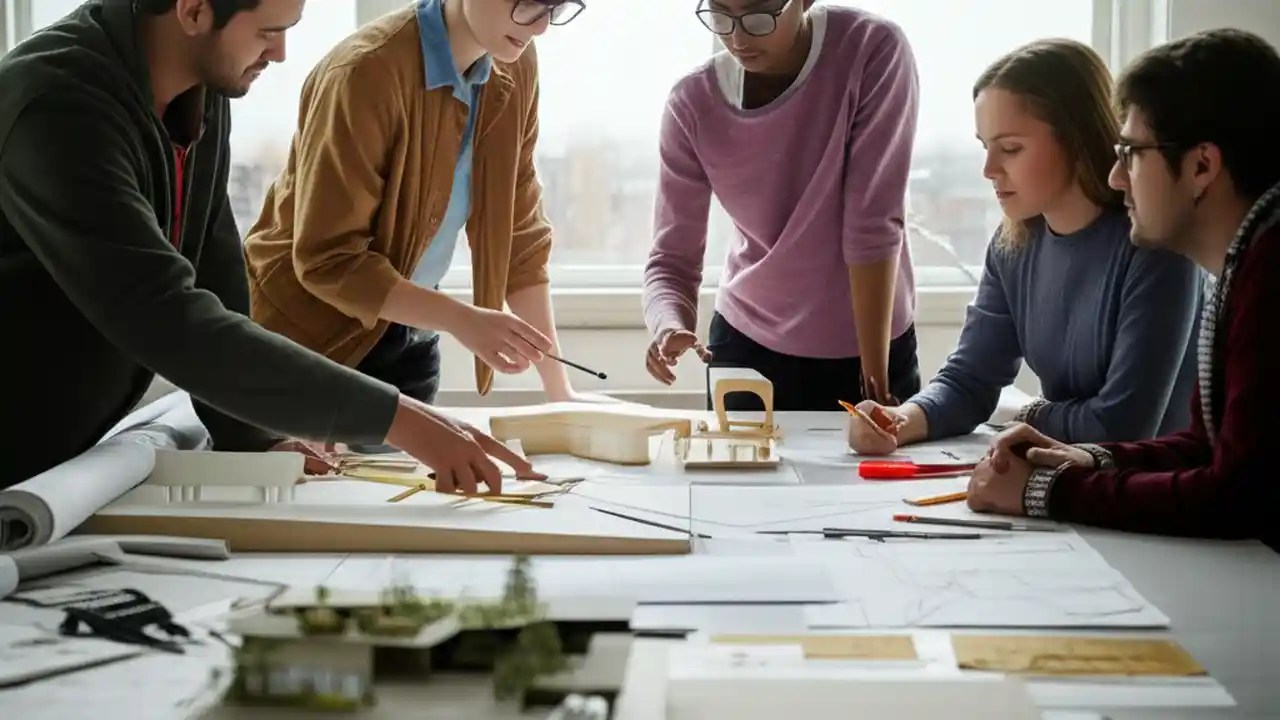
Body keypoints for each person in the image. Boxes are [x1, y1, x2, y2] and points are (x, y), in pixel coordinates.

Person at [0, 0, 537, 495]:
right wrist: (400, 417)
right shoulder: (57, 109)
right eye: (268, 32)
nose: (281, 53)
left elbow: (216, 271)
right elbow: (168, 317)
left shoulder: (204, 84)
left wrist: (255, 439)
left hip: (59, 463)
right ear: (192, 10)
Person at [968, 29, 1280, 551]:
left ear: (1202, 166)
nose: (1116, 177)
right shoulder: (1245, 261)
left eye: (1132, 153)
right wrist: (1087, 459)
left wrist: (1047, 488)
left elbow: (1235, 496)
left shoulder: (1272, 273)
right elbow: (1208, 449)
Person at [243, 0, 602, 422]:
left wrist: (558, 391)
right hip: (305, 343)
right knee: (321, 489)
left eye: (552, 9)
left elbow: (519, 235)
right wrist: (463, 320)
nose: (540, 28)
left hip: (410, 335)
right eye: (527, 5)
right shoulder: (363, 73)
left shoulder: (514, 61)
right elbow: (328, 260)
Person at [848, 39, 1202, 456]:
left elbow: (1121, 426)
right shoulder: (1012, 244)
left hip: (1156, 494)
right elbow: (970, 381)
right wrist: (900, 421)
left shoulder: (1156, 247)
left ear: (1077, 137)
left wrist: (1024, 412)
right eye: (985, 147)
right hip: (1073, 476)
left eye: (1011, 148)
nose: (989, 170)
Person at [642, 0, 922, 411]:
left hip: (871, 344)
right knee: (740, 476)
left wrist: (875, 377)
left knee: (874, 475)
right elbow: (670, 259)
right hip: (746, 345)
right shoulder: (693, 103)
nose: (737, 37)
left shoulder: (871, 48)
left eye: (758, 15)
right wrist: (668, 326)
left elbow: (873, 221)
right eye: (720, 15)